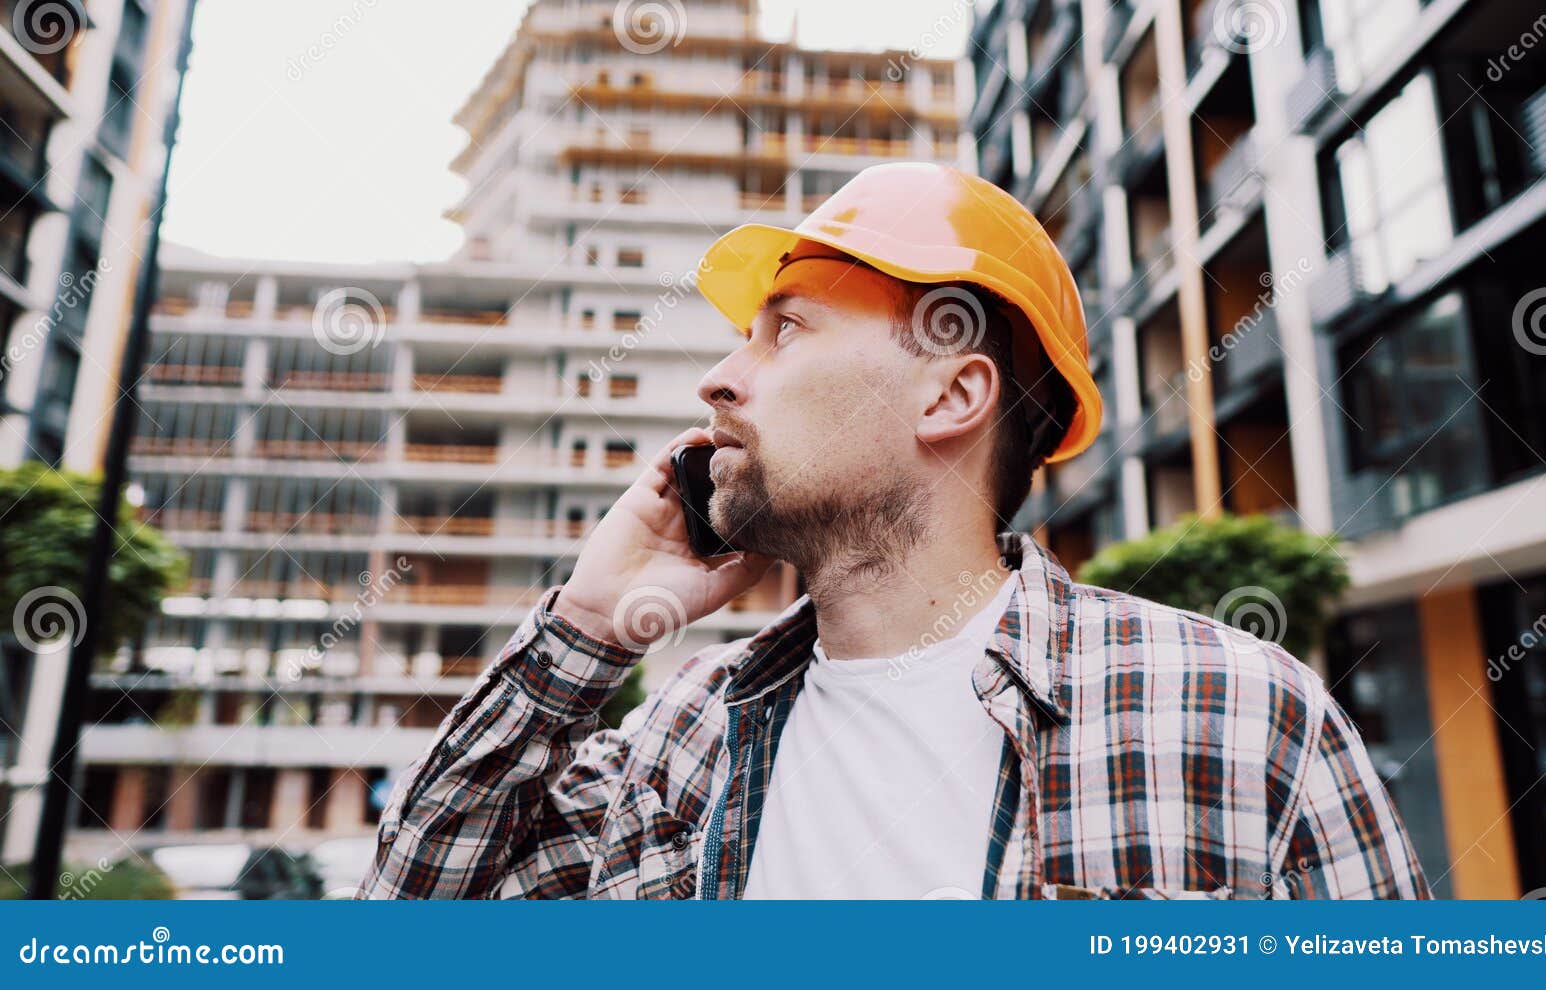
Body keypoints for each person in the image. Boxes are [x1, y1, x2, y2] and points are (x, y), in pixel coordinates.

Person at [360, 163, 1429, 900]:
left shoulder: (1237, 715)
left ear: (950, 396)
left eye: (786, 331)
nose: (720, 378)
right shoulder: (681, 737)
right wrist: (590, 629)